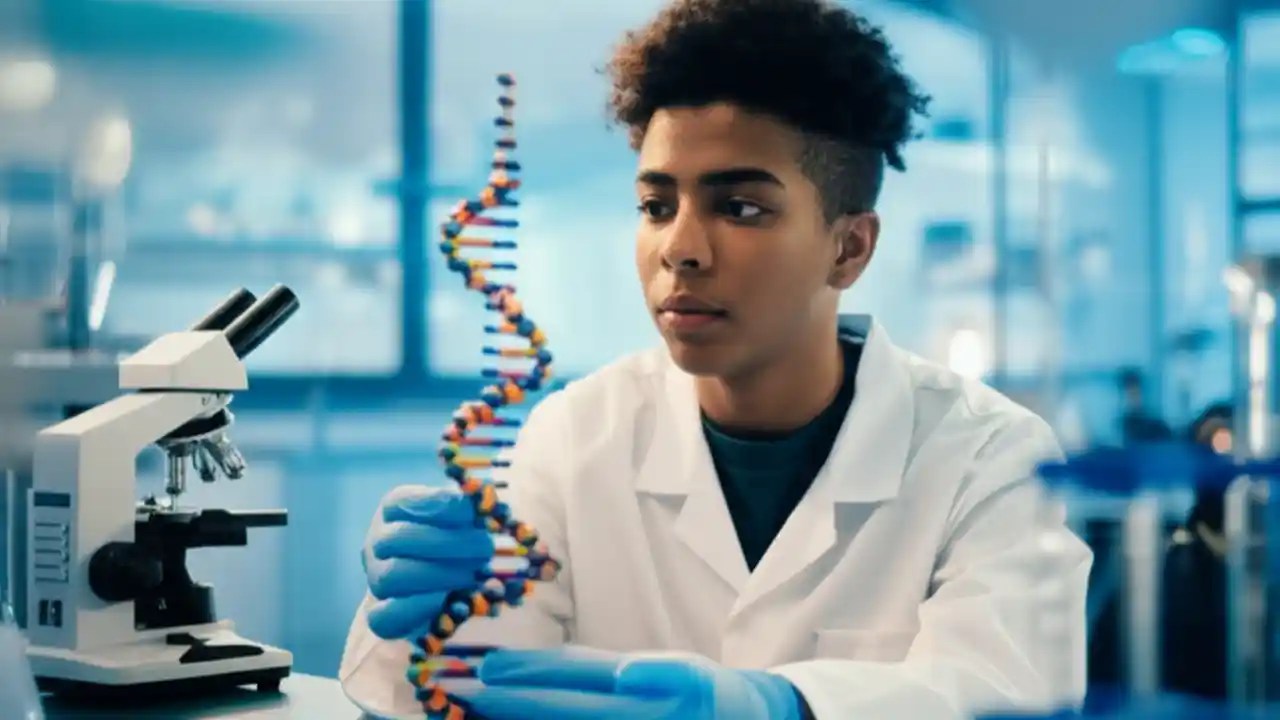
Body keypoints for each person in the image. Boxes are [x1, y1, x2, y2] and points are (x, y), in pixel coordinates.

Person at [340, 1, 1093, 718]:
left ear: (849, 246)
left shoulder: (990, 456)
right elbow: (478, 687)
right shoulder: (572, 437)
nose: (680, 249)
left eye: (740, 208)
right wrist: (430, 617)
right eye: (656, 206)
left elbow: (1006, 695)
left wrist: (785, 710)